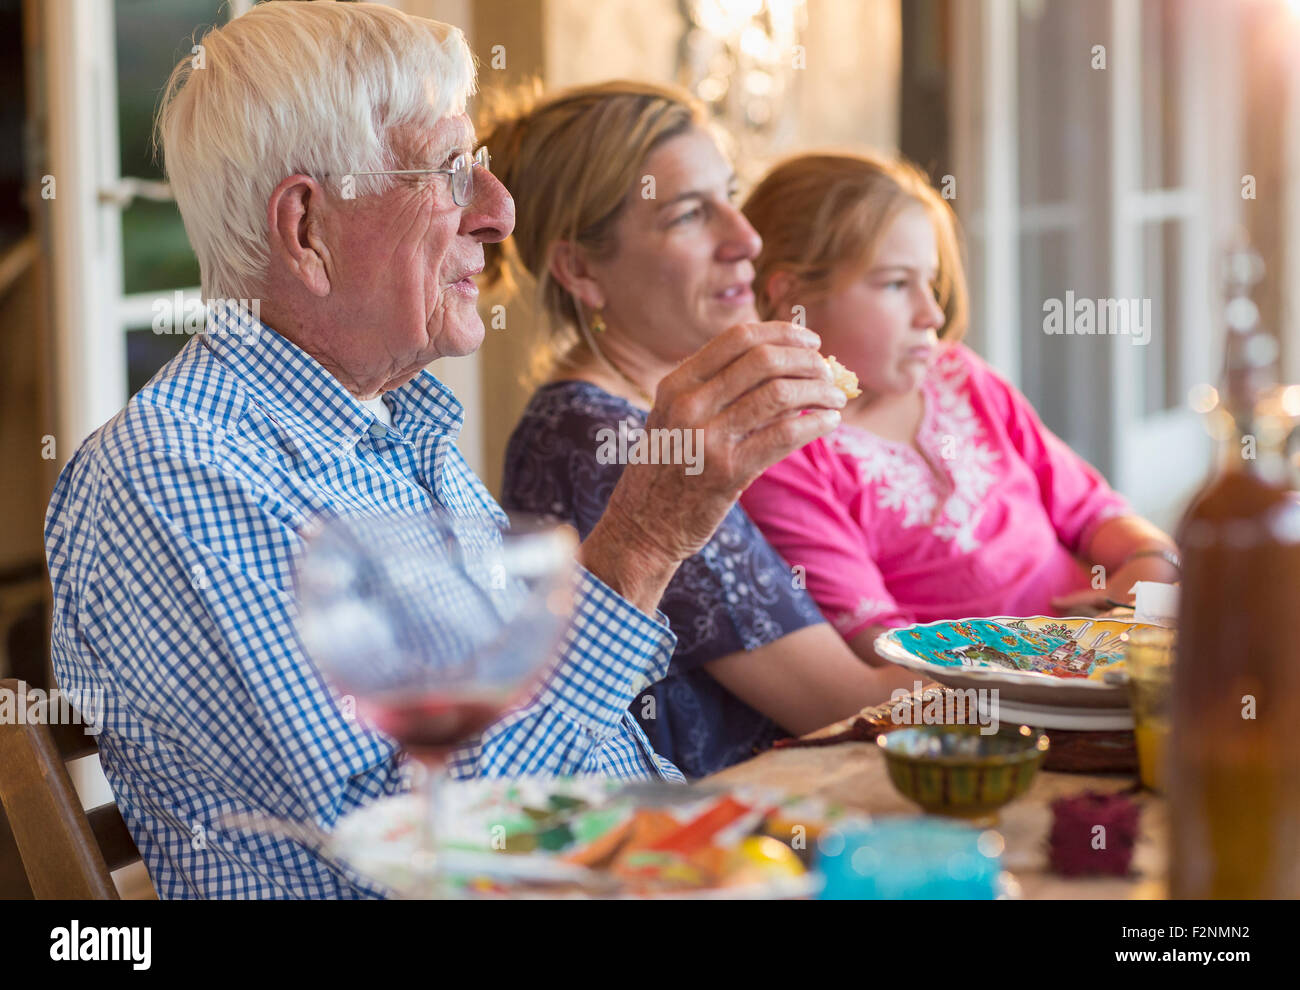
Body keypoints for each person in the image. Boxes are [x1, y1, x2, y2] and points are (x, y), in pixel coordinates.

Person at [43, 3, 843, 898]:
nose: (500, 215)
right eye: (452, 172)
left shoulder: (398, 436)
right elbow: (429, 852)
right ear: (306, 228)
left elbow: (555, 761)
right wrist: (642, 540)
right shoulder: (179, 470)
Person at [483, 82, 915, 779]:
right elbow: (852, 705)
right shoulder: (608, 446)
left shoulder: (672, 414)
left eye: (732, 195)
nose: (744, 238)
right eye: (689, 215)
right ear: (581, 269)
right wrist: (1050, 667)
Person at [738, 152, 1182, 662]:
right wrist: (1067, 653)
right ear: (790, 296)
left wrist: (1149, 572)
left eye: (930, 282)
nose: (932, 312)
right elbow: (882, 646)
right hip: (1005, 698)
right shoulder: (787, 452)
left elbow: (1095, 513)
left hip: (1110, 647)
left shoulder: (961, 377)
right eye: (895, 284)